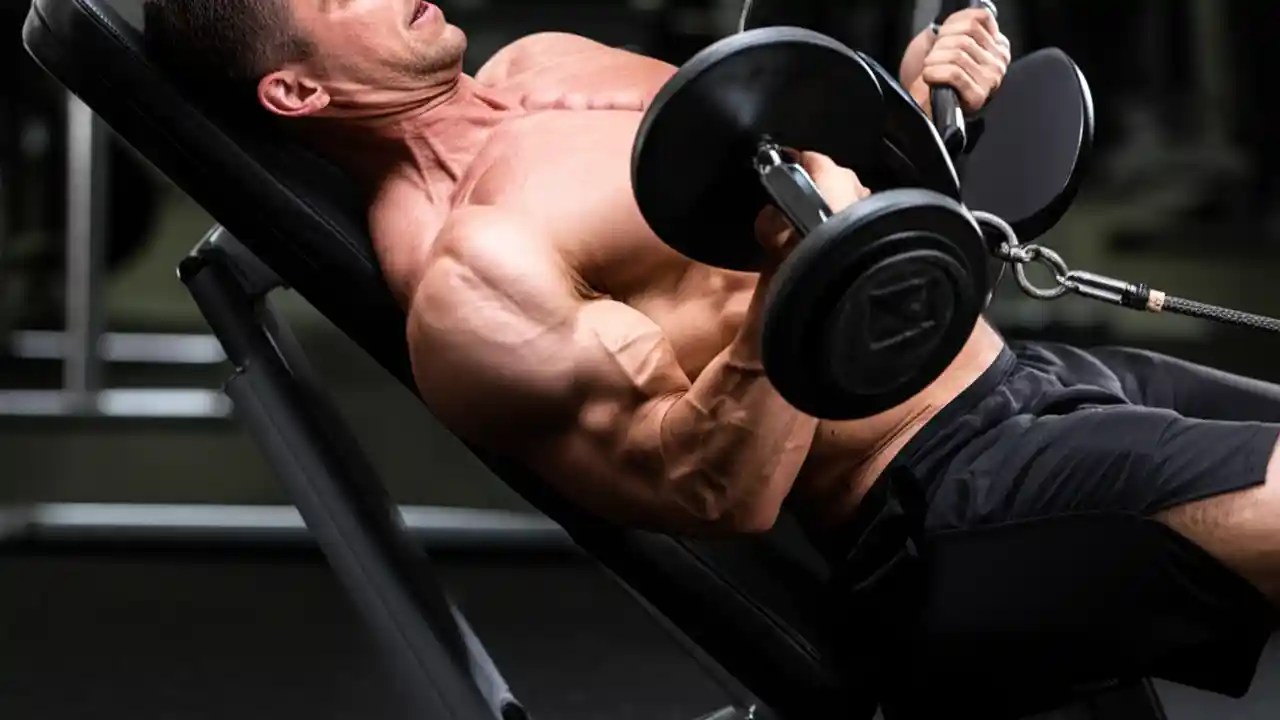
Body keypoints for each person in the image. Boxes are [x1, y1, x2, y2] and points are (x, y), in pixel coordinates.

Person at [142, 0, 1279, 708]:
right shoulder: (469, 282)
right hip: (940, 503)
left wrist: (918, 101)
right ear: (296, 88)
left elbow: (801, 166)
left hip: (1029, 380)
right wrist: (806, 275)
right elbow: (710, 483)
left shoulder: (540, 67)